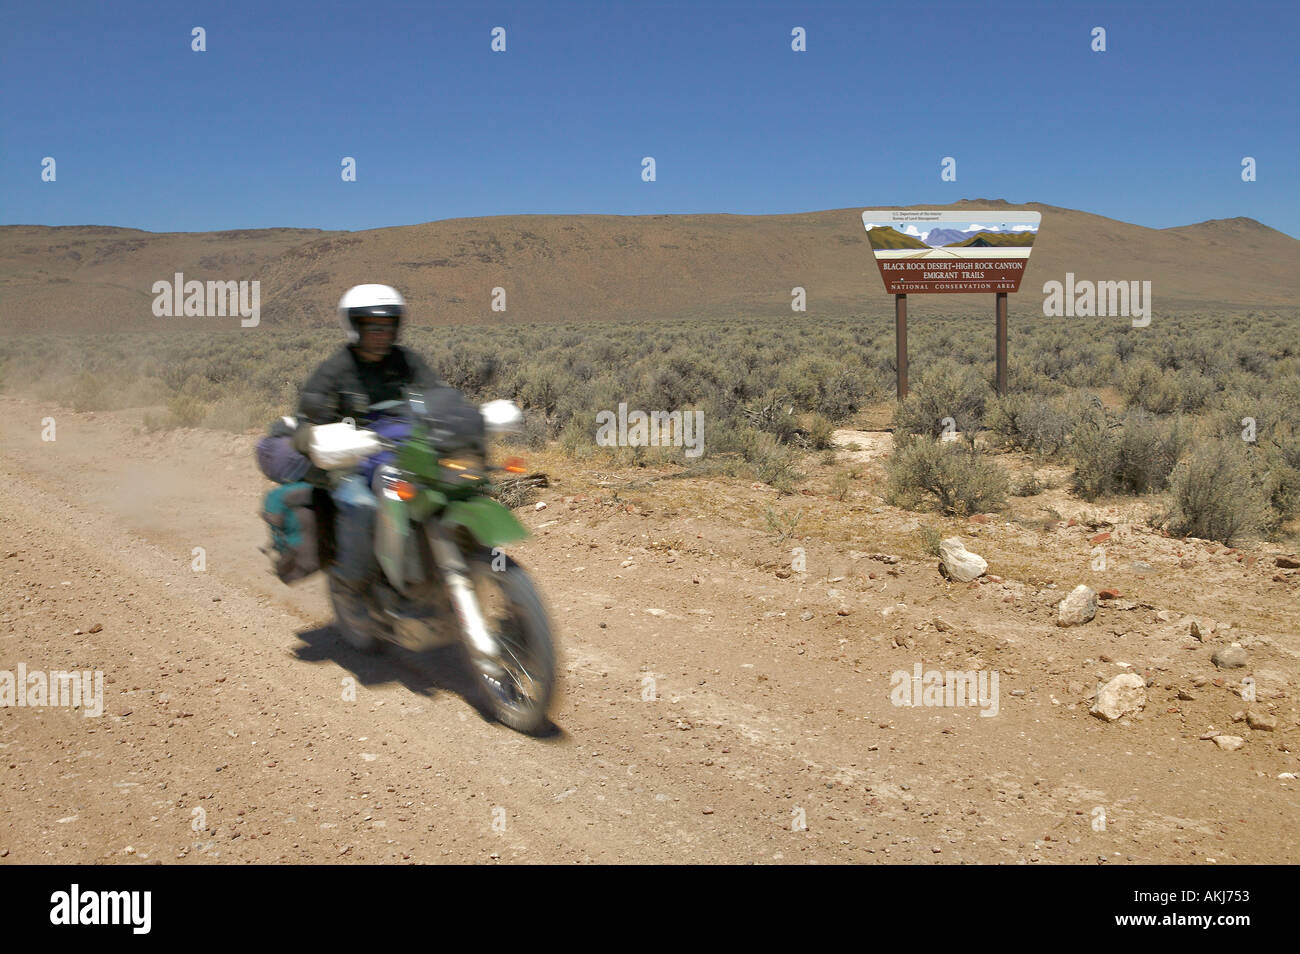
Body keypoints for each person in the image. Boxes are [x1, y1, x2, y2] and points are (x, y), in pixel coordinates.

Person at [292, 284, 445, 593]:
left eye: (388, 326)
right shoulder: (335, 369)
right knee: (361, 504)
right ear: (355, 326)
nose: (381, 334)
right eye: (373, 326)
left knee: (446, 484)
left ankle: (432, 565)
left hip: (402, 451)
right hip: (352, 461)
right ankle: (355, 585)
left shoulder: (405, 360)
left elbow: (437, 394)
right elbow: (307, 421)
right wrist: (318, 436)